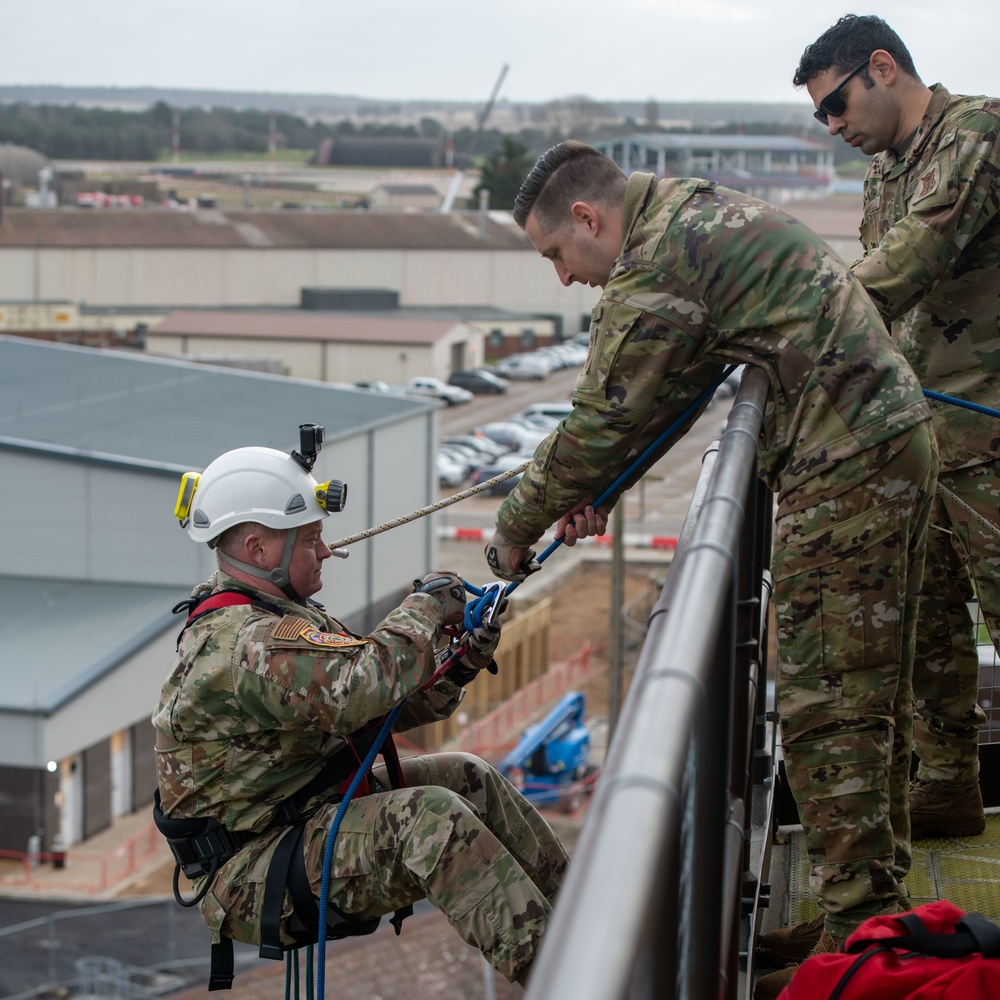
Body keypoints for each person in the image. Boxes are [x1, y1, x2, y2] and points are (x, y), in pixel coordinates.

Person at [484, 141, 938, 1000]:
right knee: (864, 699)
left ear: (589, 219)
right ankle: (862, 919)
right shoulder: (689, 213)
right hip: (881, 445)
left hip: (848, 466)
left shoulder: (654, 262)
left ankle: (866, 948)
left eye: (556, 255)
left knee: (826, 704)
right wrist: (603, 492)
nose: (563, 279)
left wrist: (513, 532)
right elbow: (666, 392)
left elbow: (596, 425)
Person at [152, 429, 567, 991]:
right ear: (257, 548)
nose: (325, 551)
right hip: (252, 870)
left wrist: (462, 657)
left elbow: (378, 707)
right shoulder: (243, 645)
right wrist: (424, 608)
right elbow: (362, 684)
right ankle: (573, 977)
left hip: (296, 818)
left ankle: (575, 916)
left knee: (468, 777)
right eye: (311, 539)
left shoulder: (281, 620)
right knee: (431, 821)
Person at [794, 13, 1000, 841]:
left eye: (836, 105)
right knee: (930, 620)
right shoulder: (886, 170)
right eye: (820, 117)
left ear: (883, 68)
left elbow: (908, 261)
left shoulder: (976, 133)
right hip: (926, 436)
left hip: (989, 438)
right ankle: (948, 784)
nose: (833, 126)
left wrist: (792, 326)